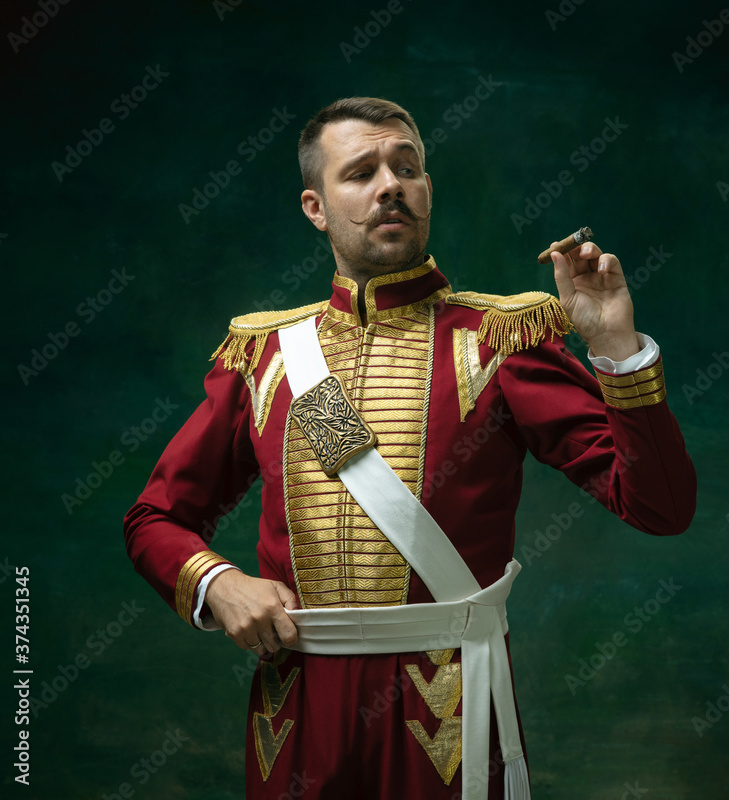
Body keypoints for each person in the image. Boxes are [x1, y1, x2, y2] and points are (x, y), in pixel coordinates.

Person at [123, 96, 696, 800]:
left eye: (407, 167)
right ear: (315, 207)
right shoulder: (264, 356)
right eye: (361, 172)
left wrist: (616, 347)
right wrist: (217, 582)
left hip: (450, 709)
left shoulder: (501, 339)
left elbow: (661, 507)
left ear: (427, 188)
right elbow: (154, 519)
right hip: (296, 714)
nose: (390, 185)